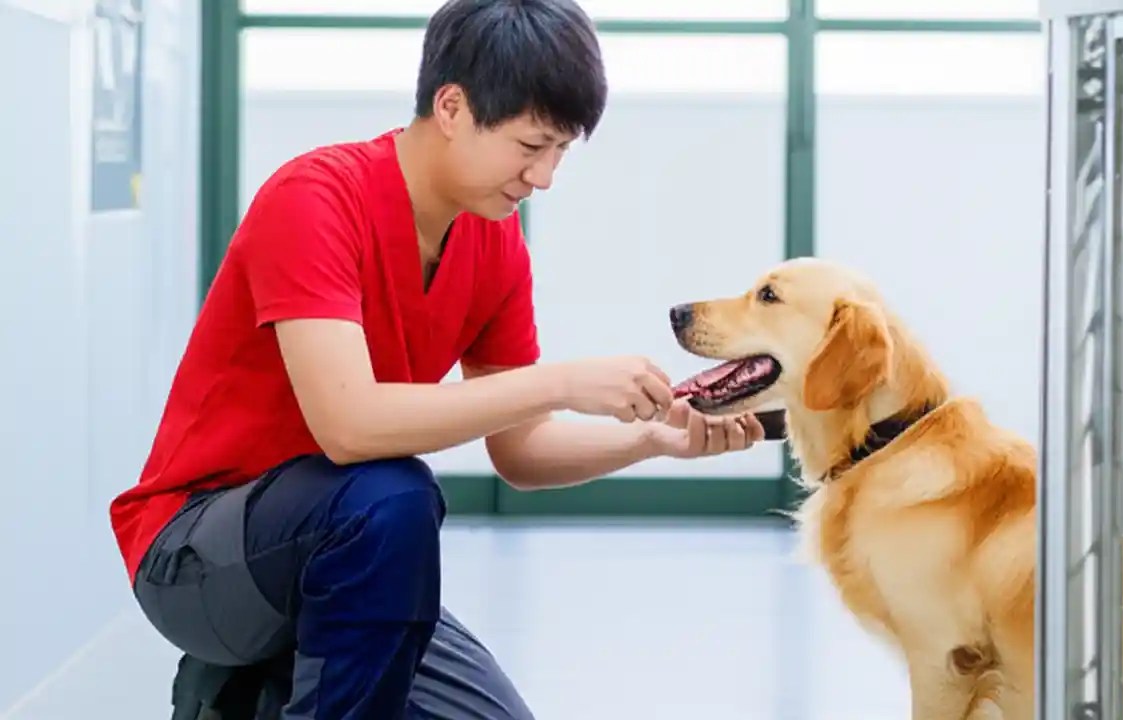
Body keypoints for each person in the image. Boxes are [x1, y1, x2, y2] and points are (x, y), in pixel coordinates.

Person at [109, 0, 766, 717]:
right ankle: (253, 679)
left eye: (560, 152)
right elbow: (350, 427)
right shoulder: (314, 199)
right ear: (451, 106)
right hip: (197, 555)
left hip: (344, 555)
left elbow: (520, 453)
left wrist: (647, 440)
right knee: (393, 493)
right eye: (530, 145)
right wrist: (562, 382)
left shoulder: (496, 246)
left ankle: (258, 690)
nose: (543, 177)